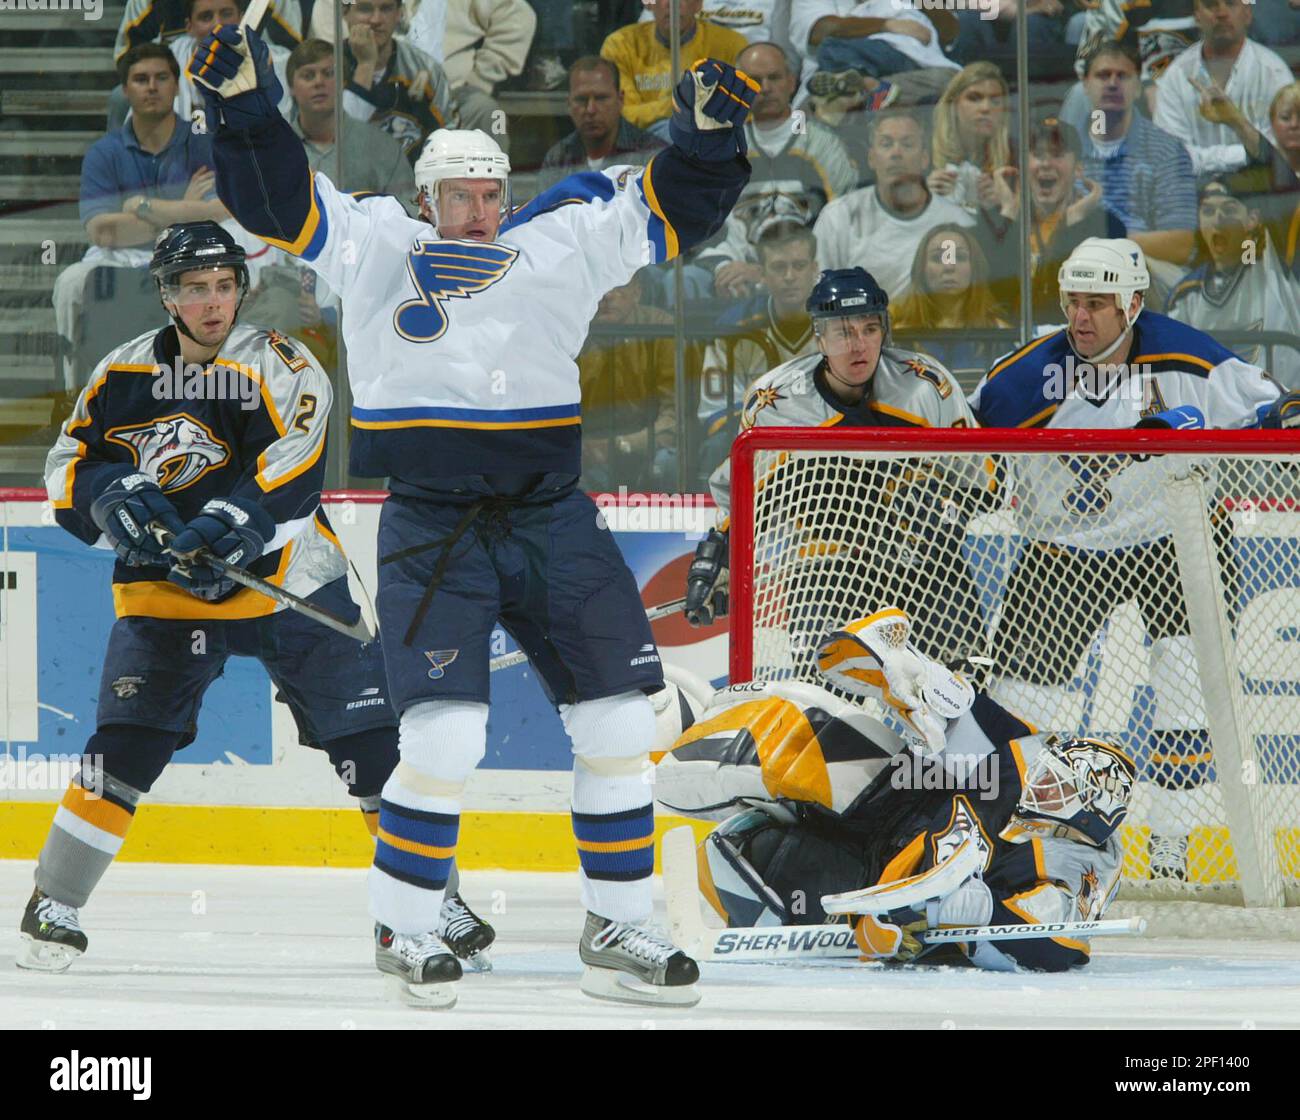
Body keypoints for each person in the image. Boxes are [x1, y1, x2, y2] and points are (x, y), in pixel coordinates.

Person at [189, 20, 757, 1005]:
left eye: (492, 193)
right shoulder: (374, 243)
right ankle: (405, 928)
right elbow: (276, 200)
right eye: (460, 194)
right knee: (443, 741)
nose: (479, 210)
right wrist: (242, 102)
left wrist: (708, 136)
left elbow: (673, 212)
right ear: (426, 196)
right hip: (434, 523)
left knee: (621, 724)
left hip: (550, 517)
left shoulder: (560, 240)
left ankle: (619, 923)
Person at [22, 222, 444, 974]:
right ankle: (53, 901)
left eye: (223, 286)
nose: (212, 303)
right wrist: (110, 499)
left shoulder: (280, 363)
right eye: (194, 288)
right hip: (166, 596)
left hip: (288, 581)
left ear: (240, 290)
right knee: (122, 748)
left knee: (372, 747)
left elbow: (295, 469)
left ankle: (427, 905)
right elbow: (67, 465)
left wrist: (230, 531)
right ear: (167, 296)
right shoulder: (120, 374)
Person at [968, 236, 1295, 879]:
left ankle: (1171, 850)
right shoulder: (1019, 381)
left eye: (1098, 303)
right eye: (1072, 302)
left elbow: (1276, 410)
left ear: (1133, 304)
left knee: (1187, 689)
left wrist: (1237, 425)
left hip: (1176, 539)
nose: (1081, 318)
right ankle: (1008, 839)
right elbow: (966, 457)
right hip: (1065, 548)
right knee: (1017, 701)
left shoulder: (1187, 357)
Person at [659, 605, 1137, 972]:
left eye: (1058, 790)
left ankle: (796, 900)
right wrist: (937, 691)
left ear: (1088, 818)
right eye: (1050, 775)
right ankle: (679, 730)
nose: (1042, 786)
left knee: (735, 851)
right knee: (801, 720)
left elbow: (1059, 946)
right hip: (899, 800)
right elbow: (986, 726)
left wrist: (982, 916)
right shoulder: (1031, 756)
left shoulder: (1084, 866)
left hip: (877, 880)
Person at [685, 267, 990, 672]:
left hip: (925, 567)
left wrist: (945, 506)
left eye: (869, 328)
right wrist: (718, 560)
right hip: (826, 570)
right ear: (819, 336)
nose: (858, 344)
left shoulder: (926, 388)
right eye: (843, 332)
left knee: (960, 690)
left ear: (885, 330)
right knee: (825, 701)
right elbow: (745, 501)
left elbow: (987, 482)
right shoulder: (776, 405)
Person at [52, 44, 230, 397]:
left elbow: (221, 212)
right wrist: (183, 207)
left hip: (185, 256)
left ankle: (188, 398)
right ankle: (72, 395)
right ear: (126, 90)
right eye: (141, 79)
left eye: (161, 77)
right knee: (69, 283)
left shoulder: (202, 142)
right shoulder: (105, 152)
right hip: (114, 256)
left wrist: (142, 208)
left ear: (176, 86)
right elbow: (103, 231)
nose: (152, 87)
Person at [698, 40, 857, 301]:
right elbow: (708, 228)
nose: (765, 88)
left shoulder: (823, 144)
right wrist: (724, 267)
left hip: (808, 273)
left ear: (792, 83)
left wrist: (773, 272)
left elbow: (842, 223)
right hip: (740, 274)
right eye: (754, 80)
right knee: (690, 281)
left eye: (774, 77)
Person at [696, 221, 821, 474]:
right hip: (755, 440)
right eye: (778, 267)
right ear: (762, 274)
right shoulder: (733, 327)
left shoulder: (838, 323)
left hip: (824, 436)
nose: (789, 276)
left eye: (798, 266)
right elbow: (717, 409)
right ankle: (722, 515)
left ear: (814, 269)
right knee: (716, 447)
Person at [974, 113, 1124, 324]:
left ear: (1078, 169)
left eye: (1057, 154)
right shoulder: (995, 222)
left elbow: (1073, 298)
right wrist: (1009, 214)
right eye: (1037, 154)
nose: (1046, 164)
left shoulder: (1106, 226)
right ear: (1023, 166)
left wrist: (1074, 220)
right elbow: (995, 296)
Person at [813, 111, 976, 300]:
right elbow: (821, 295)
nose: (896, 153)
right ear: (871, 158)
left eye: (907, 144)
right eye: (886, 144)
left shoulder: (957, 221)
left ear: (925, 158)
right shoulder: (839, 217)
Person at [1074, 40, 1199, 273]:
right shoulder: (1065, 149)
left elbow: (1181, 245)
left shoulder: (1167, 150)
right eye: (1103, 76)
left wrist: (1105, 247)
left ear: (1138, 87)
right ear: (1085, 84)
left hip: (1142, 269)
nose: (1112, 84)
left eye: (1123, 76)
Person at [1167, 179, 1300, 387]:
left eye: (1228, 210)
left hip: (1283, 411)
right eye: (1208, 212)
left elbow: (1287, 193)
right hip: (1213, 414)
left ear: (1253, 219)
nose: (1217, 220)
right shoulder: (1184, 296)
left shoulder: (1275, 270)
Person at [1152, 0, 1293, 176]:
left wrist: (1236, 121)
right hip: (1195, 192)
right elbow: (1169, 159)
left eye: (1231, 3)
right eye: (1211, 5)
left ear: (1248, 13)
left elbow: (1282, 155)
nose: (1222, 13)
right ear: (1196, 15)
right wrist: (1247, 154)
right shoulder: (1176, 75)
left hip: (1261, 192)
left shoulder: (1274, 73)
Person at [600, 0, 748, 139]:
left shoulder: (731, 45)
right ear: (649, 3)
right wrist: (679, 104)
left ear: (698, 4)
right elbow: (622, 113)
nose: (673, 4)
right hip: (642, 143)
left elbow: (744, 110)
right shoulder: (621, 45)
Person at [340, 0, 460, 159]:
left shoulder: (424, 69)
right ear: (345, 12)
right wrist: (366, 64)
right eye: (365, 9)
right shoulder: (325, 69)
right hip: (348, 180)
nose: (376, 20)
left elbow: (451, 137)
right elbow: (337, 143)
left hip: (414, 178)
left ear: (399, 13)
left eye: (386, 8)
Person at [889, 223, 1011, 378]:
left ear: (975, 268)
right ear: (921, 270)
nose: (949, 267)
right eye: (937, 258)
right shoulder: (900, 337)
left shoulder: (999, 334)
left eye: (959, 257)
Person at [537, 56, 665, 191]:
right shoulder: (558, 158)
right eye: (581, 100)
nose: (590, 109)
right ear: (568, 104)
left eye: (601, 98)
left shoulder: (652, 156)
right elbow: (544, 211)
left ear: (620, 100)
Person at [927, 61, 1014, 216]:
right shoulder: (922, 153)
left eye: (995, 101)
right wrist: (924, 198)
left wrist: (999, 206)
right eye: (974, 98)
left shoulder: (1015, 159)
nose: (986, 108)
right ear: (952, 104)